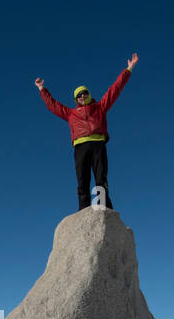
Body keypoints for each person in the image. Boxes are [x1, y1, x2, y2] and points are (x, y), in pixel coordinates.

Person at [35, 53, 137, 210]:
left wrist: (128, 69)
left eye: (84, 93)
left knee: (100, 179)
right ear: (76, 100)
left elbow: (115, 89)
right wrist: (42, 89)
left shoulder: (100, 107)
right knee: (82, 180)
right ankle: (83, 211)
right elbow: (52, 105)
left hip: (98, 145)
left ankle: (103, 208)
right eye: (79, 95)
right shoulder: (71, 114)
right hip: (81, 147)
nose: (82, 96)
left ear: (89, 95)